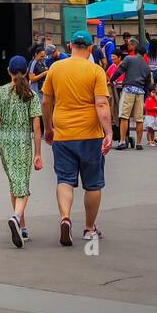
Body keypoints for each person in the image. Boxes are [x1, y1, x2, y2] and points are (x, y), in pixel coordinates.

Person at [41, 30, 112, 245]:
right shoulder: (96, 71)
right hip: (90, 134)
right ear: (90, 48)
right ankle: (89, 228)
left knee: (64, 180)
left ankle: (65, 217)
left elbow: (45, 102)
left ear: (70, 45)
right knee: (93, 184)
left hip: (63, 132)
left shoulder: (55, 68)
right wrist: (108, 131)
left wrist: (48, 128)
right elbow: (101, 104)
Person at [0, 55, 43, 248]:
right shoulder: (31, 95)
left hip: (5, 142)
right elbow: (37, 126)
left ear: (9, 71)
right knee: (22, 183)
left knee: (14, 183)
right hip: (23, 142)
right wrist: (38, 153)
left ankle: (22, 227)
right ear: (26, 72)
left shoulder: (0, 92)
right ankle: (16, 217)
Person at [114, 45, 152, 150]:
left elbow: (120, 70)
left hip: (128, 89)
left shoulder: (129, 59)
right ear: (145, 54)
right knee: (139, 119)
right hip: (140, 92)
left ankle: (122, 141)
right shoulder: (146, 66)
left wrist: (111, 79)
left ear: (135, 51)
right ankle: (139, 143)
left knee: (124, 116)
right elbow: (148, 84)